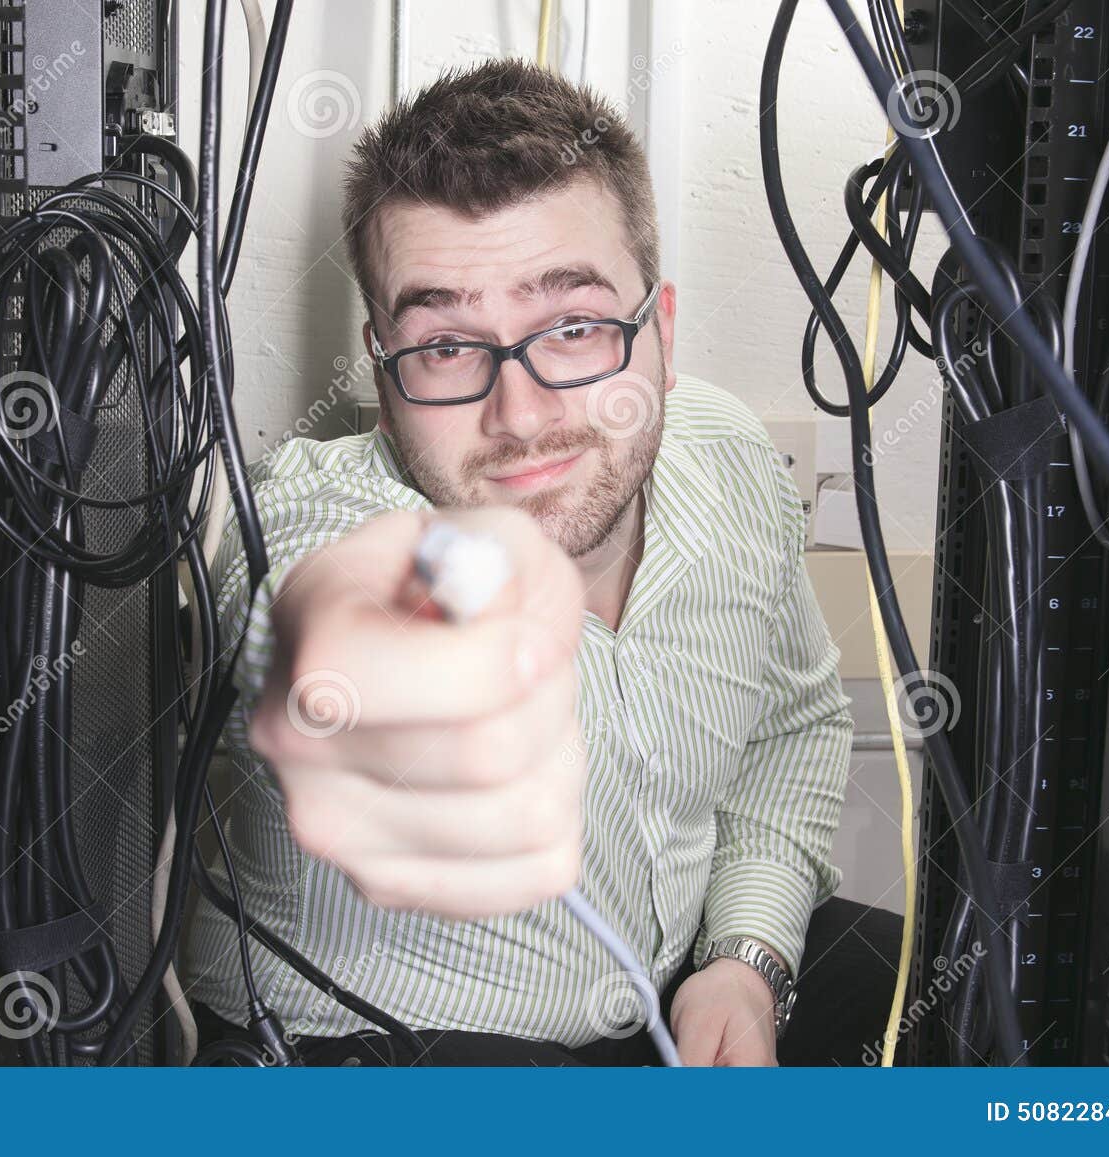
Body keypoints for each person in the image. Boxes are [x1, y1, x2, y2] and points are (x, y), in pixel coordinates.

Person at [184, 58, 900, 1067]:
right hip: (375, 1042)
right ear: (382, 371)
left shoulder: (729, 456)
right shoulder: (310, 511)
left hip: (667, 995)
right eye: (445, 346)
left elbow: (791, 727)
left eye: (573, 327)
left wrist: (746, 956)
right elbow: (300, 603)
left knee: (963, 978)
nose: (519, 416)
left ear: (659, 329)